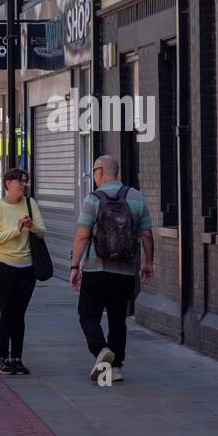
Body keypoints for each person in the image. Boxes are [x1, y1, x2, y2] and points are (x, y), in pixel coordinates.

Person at [69, 154, 154, 384]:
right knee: (118, 320)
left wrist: (75, 266)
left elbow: (82, 234)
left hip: (96, 271)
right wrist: (148, 263)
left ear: (98, 172)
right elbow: (146, 233)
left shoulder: (93, 199)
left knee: (88, 315)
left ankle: (101, 350)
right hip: (125, 272)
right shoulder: (136, 197)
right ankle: (114, 369)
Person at [0, 167, 46, 376]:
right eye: (20, 181)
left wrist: (31, 227)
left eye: (26, 181)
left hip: (27, 268)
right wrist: (16, 230)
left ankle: (17, 358)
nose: (24, 185)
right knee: (7, 312)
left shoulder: (30, 204)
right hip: (3, 267)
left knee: (20, 314)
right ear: (8, 184)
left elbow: (42, 231)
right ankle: (2, 358)